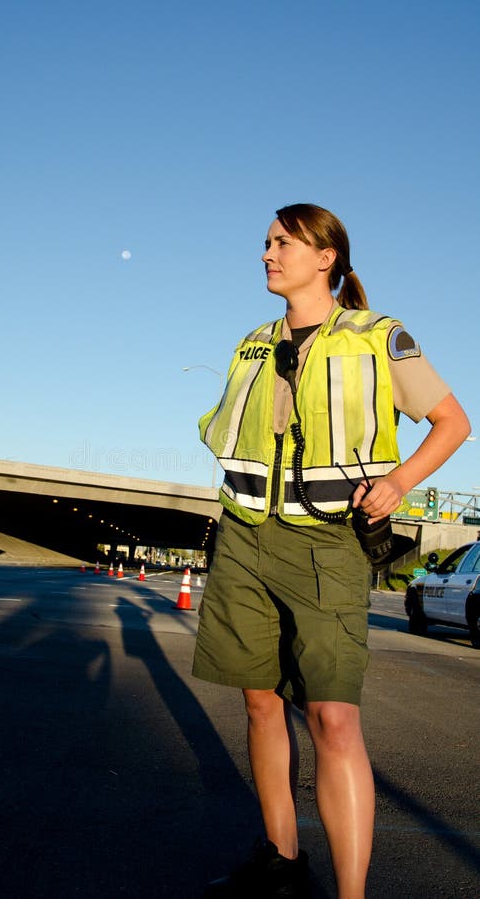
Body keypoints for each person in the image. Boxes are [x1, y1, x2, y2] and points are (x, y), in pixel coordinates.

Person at [192, 203, 470, 899]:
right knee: (260, 703)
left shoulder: (378, 335)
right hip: (245, 537)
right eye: (264, 243)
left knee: (332, 715)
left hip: (326, 546)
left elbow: (452, 421)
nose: (266, 254)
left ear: (327, 258)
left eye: (282, 243)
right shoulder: (253, 340)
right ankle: (282, 863)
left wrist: (399, 481)